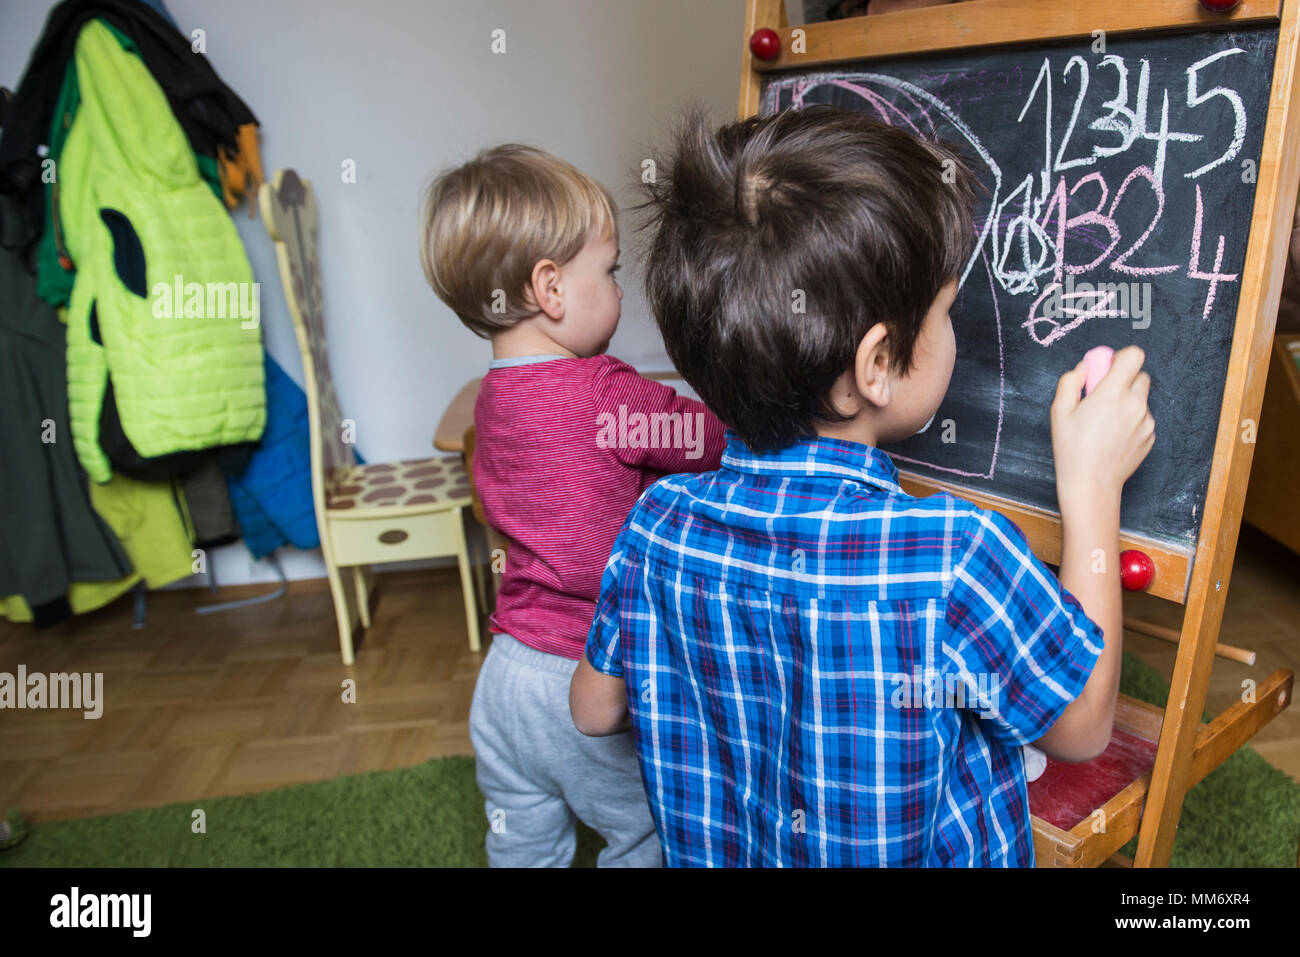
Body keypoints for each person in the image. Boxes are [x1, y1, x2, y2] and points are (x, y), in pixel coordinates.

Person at [569, 107, 1154, 866]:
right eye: (946, 312)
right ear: (876, 365)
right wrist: (1093, 489)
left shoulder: (654, 527)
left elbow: (593, 708)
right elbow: (1080, 727)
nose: (954, 332)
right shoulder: (951, 557)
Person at [420, 144, 725, 867]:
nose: (620, 290)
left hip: (505, 676)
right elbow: (708, 440)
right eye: (611, 270)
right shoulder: (606, 391)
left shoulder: (490, 399)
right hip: (583, 676)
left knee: (524, 840)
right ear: (551, 289)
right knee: (646, 828)